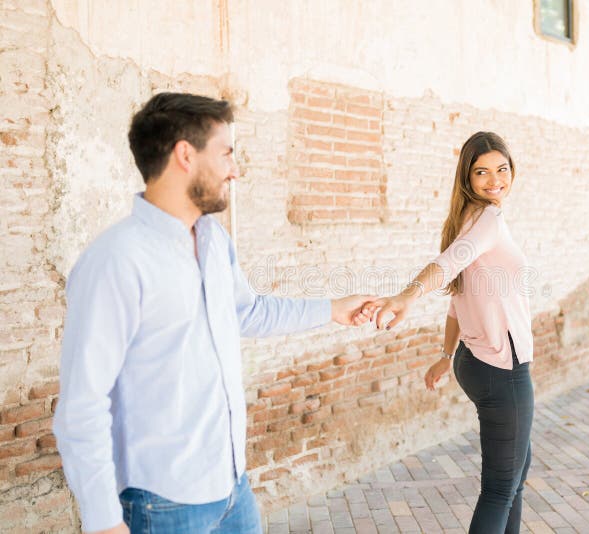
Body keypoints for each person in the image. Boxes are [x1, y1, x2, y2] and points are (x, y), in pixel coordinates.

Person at [53, 92, 376, 534]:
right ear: (185, 155)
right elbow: (81, 404)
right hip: (161, 503)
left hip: (232, 489)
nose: (235, 169)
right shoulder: (116, 260)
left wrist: (332, 310)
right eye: (226, 153)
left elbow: (249, 312)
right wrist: (103, 521)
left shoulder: (212, 240)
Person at [371, 131, 534, 534]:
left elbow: (457, 297)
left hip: (472, 361)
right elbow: (449, 265)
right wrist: (408, 296)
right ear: (467, 177)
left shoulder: (469, 219)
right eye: (481, 172)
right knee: (500, 487)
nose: (494, 179)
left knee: (516, 469)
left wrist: (446, 356)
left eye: (502, 169)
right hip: (501, 367)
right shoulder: (487, 219)